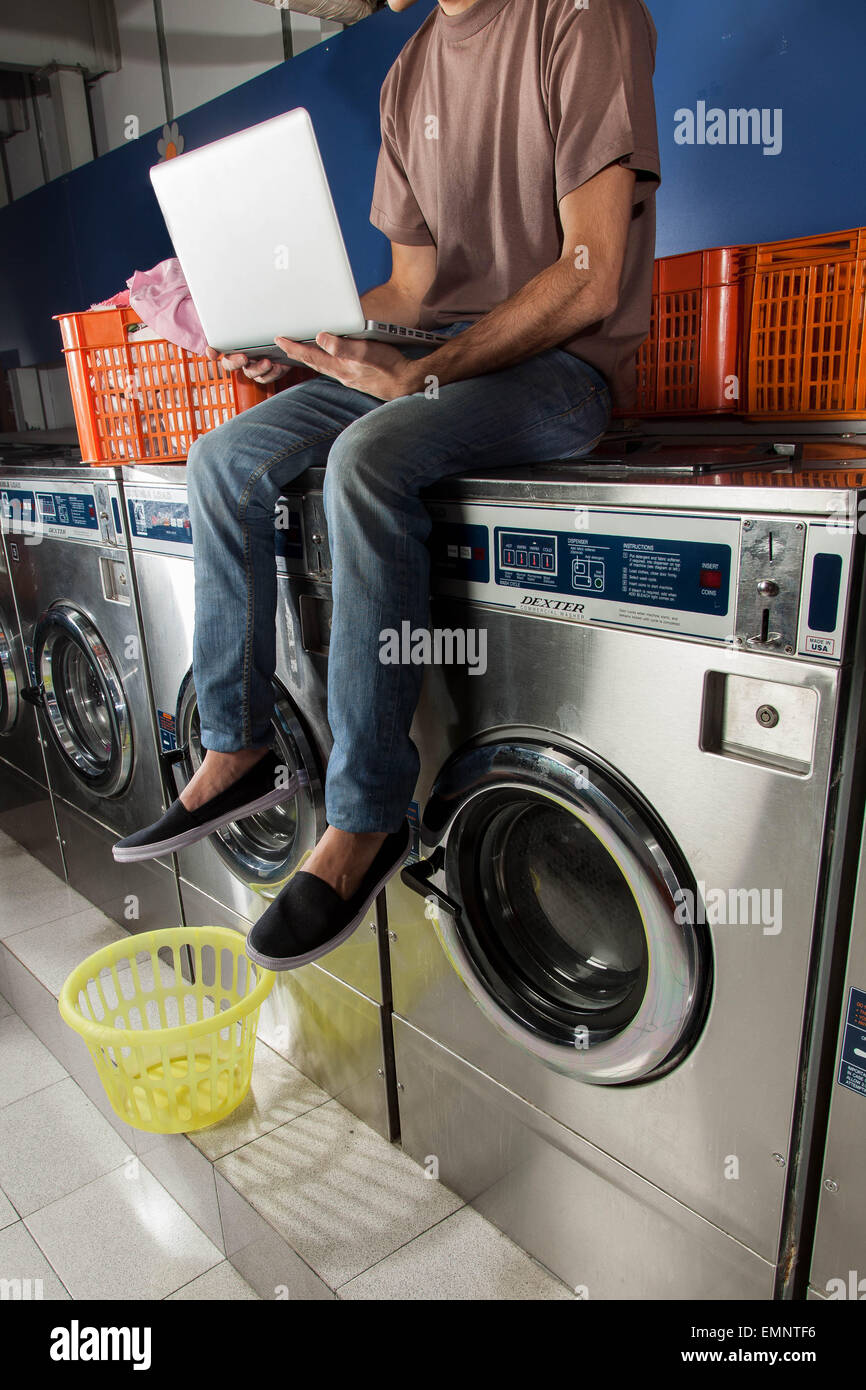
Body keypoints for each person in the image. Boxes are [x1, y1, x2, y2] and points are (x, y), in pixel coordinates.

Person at [114, 0, 660, 971]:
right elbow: (408, 292)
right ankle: (237, 749)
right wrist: (304, 333)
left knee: (369, 458)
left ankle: (366, 818)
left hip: (557, 374)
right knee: (222, 460)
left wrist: (430, 372)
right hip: (433, 361)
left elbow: (589, 272)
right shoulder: (409, 73)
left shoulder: (577, 18)